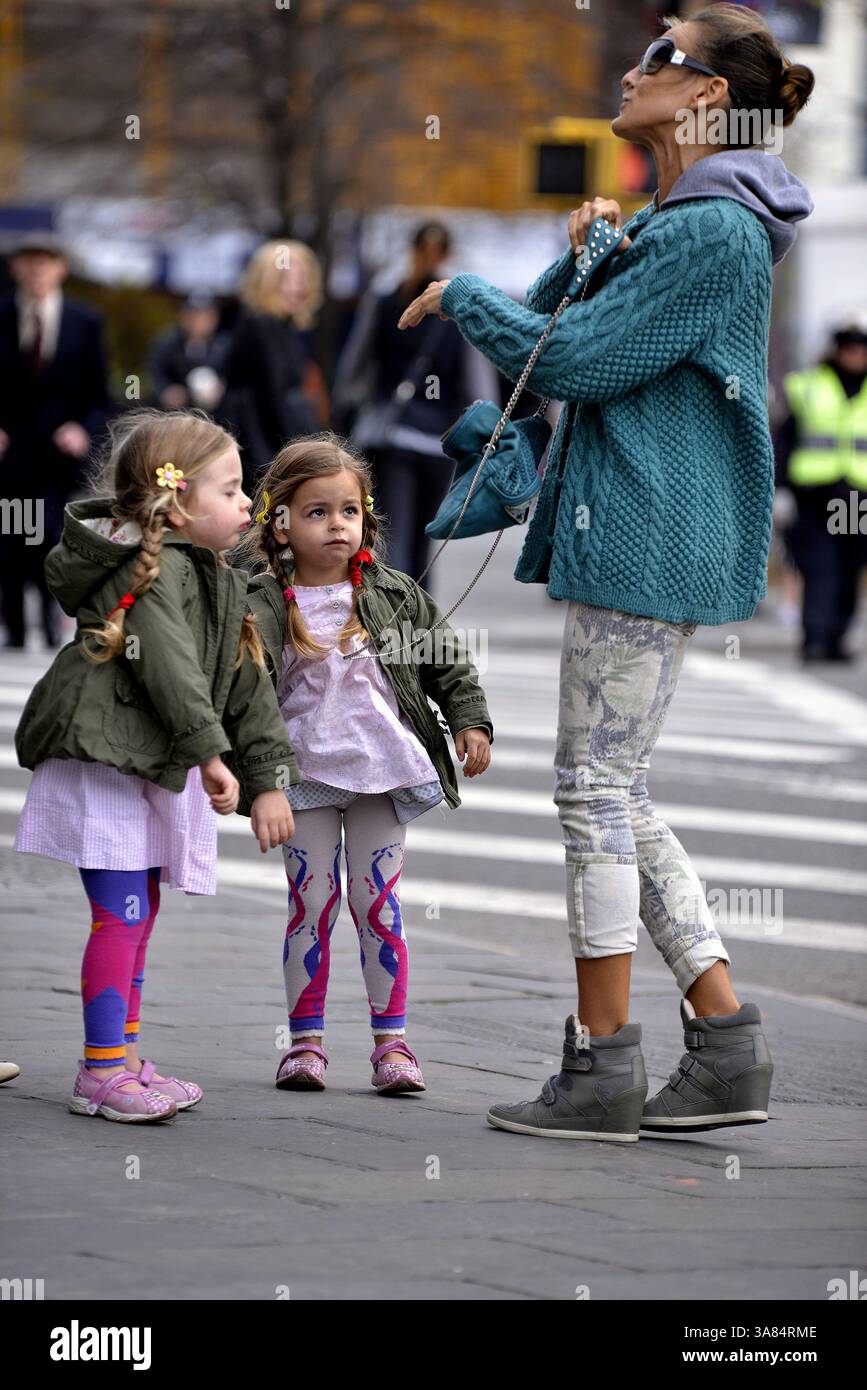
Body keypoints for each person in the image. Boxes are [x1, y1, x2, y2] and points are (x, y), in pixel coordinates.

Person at [398, 4, 814, 1141]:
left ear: (703, 98)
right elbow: (562, 325)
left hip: (650, 529)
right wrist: (586, 247)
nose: (631, 69)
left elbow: (569, 357)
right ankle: (724, 1045)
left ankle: (603, 1064)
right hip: (640, 524)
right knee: (615, 791)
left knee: (592, 794)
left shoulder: (713, 227)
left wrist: (464, 294)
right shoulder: (682, 221)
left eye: (659, 57)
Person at [13, 408, 296, 1123]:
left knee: (138, 910)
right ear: (176, 500)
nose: (246, 504)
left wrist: (267, 781)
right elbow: (167, 666)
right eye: (230, 489)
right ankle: (101, 1072)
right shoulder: (149, 569)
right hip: (103, 759)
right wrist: (209, 753)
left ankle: (124, 1059)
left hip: (141, 758)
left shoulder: (215, 577)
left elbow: (246, 687)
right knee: (121, 914)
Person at [232, 431, 493, 1094]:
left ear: (365, 517)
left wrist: (468, 720)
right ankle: (305, 1044)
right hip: (305, 776)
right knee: (310, 903)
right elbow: (236, 692)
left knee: (378, 904)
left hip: (382, 772)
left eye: (347, 511)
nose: (336, 525)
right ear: (280, 522)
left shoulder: (394, 594)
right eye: (316, 512)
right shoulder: (260, 603)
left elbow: (446, 662)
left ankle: (392, 1045)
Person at [332, 221, 499, 579]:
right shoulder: (459, 310)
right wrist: (488, 430)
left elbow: (353, 368)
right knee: (425, 537)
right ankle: (418, 620)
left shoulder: (385, 300)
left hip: (392, 434)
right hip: (437, 439)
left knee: (392, 534)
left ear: (412, 250)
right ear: (448, 255)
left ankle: (391, 617)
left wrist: (348, 412)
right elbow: (477, 379)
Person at [0, 231, 112, 648]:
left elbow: (101, 395)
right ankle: (13, 624)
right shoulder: (2, 316)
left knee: (47, 535)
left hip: (57, 457)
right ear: (16, 268)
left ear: (61, 268)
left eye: (45, 262)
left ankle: (50, 618)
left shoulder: (84, 322)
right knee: (13, 534)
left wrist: (82, 428)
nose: (37, 270)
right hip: (11, 457)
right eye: (29, 261)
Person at [774, 315, 867, 663]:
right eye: (850, 347)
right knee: (819, 566)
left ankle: (835, 638)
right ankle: (814, 638)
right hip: (814, 496)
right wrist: (780, 490)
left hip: (857, 500)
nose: (856, 354)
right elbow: (786, 440)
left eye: (861, 348)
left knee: (849, 568)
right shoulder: (809, 386)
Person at [220, 240, 328, 492]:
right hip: (259, 450)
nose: (298, 289)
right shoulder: (263, 326)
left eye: (302, 280)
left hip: (261, 446)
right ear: (268, 282)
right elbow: (273, 397)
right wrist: (302, 454)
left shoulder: (278, 327)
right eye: (289, 280)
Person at [148, 293, 229, 413]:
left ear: (215, 319)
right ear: (182, 316)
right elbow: (154, 371)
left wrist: (222, 389)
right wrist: (165, 391)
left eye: (205, 316)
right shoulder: (167, 342)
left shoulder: (225, 345)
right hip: (175, 413)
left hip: (217, 415)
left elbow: (235, 377)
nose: (198, 322)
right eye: (193, 315)